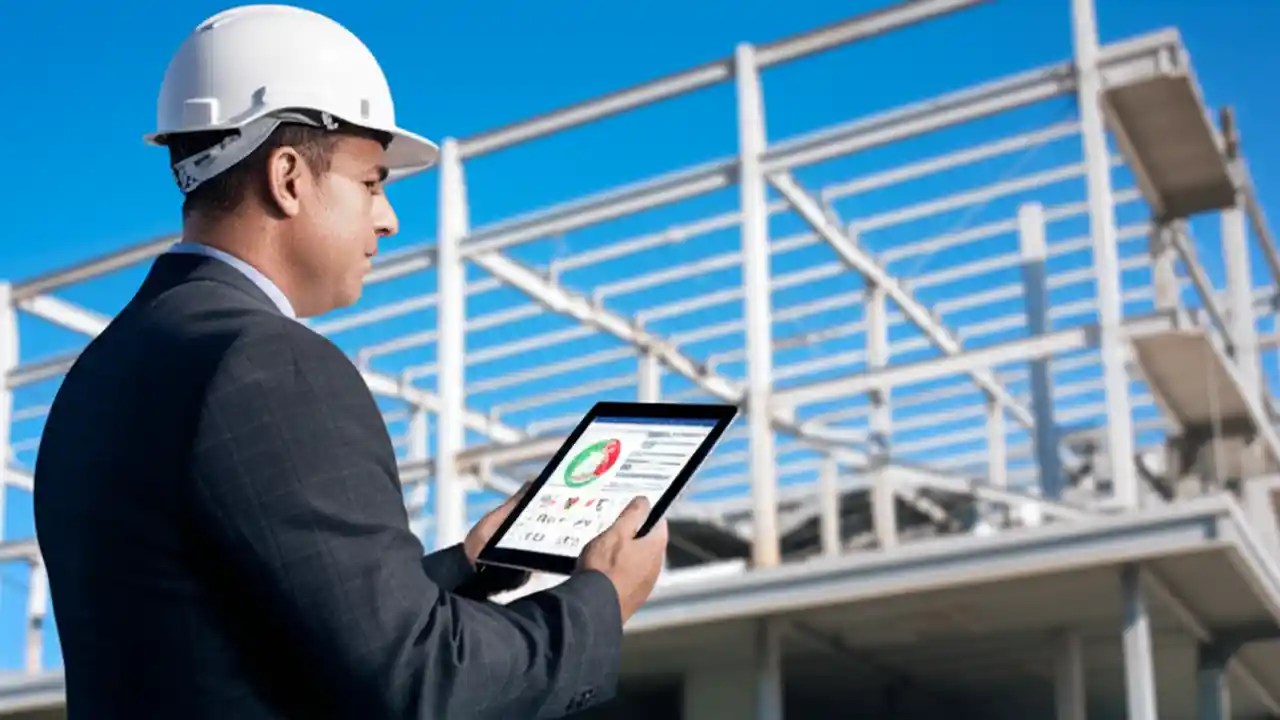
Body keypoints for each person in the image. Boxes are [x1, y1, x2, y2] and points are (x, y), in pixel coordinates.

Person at [32, 5, 668, 719]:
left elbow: (241, 643)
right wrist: (601, 600)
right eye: (371, 183)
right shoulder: (271, 362)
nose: (388, 218)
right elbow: (423, 683)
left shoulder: (101, 374)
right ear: (289, 177)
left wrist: (468, 566)